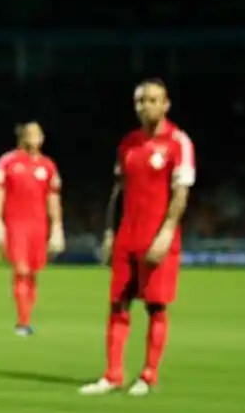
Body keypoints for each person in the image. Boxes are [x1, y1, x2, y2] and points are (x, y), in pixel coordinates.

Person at [80, 79, 195, 396]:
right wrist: (109, 233)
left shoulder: (179, 142)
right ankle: (112, 374)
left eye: (153, 100)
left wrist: (166, 233)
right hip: (127, 236)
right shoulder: (128, 143)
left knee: (155, 307)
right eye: (141, 101)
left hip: (157, 236)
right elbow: (118, 192)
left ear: (166, 104)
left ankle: (148, 375)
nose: (147, 106)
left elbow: (181, 194)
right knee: (118, 305)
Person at [0, 121, 65, 336]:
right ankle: (22, 323)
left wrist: (57, 226)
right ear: (22, 136)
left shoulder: (48, 166)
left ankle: (26, 318)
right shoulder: (7, 162)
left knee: (31, 272)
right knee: (21, 270)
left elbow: (53, 198)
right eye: (31, 133)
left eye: (39, 133)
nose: (36, 137)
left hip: (39, 226)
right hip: (15, 224)